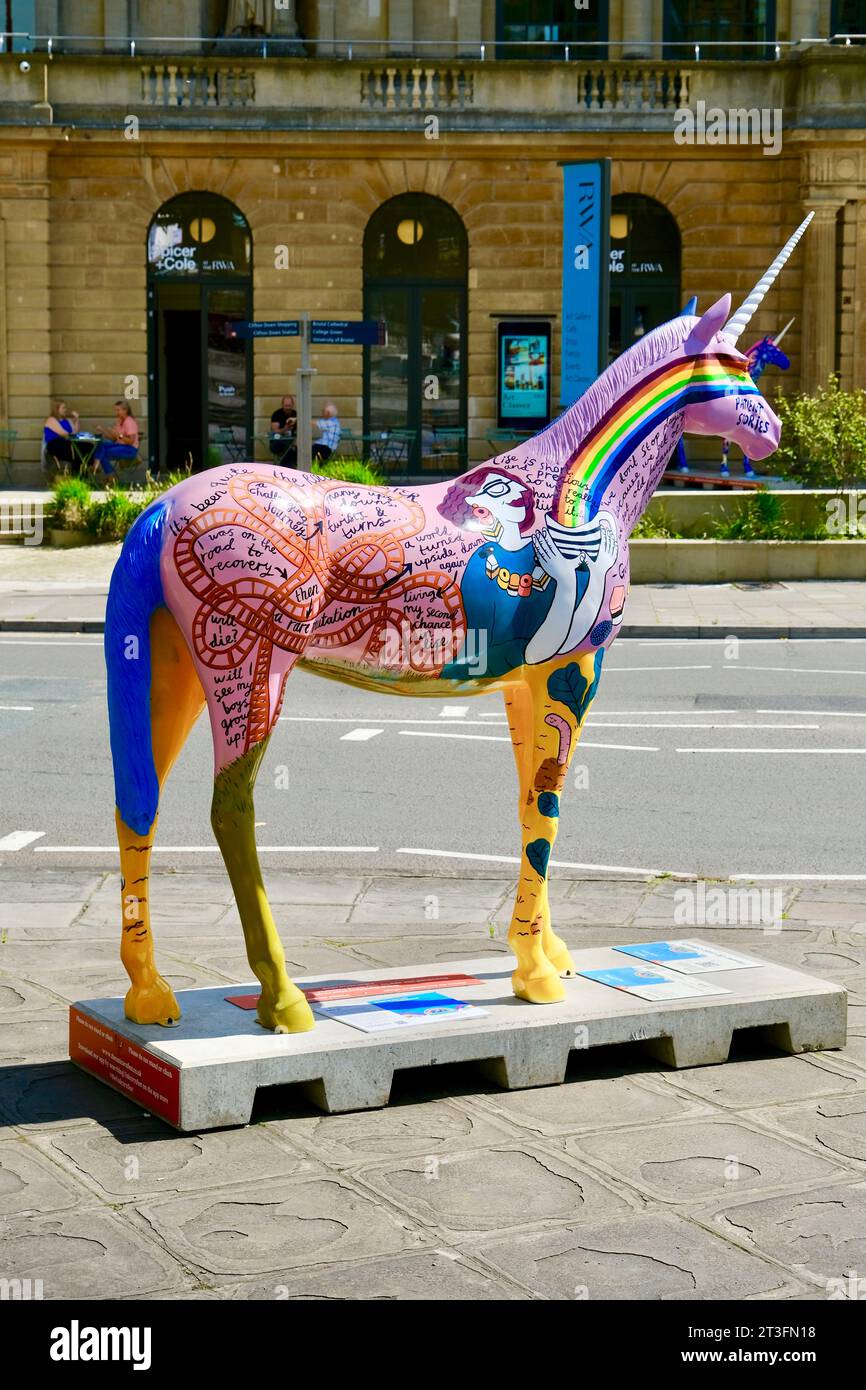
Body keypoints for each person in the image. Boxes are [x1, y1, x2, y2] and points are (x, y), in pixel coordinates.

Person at [93, 401, 139, 477]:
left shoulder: (129, 422)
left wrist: (118, 435)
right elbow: (113, 439)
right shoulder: (120, 421)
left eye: (118, 410)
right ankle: (98, 467)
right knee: (100, 445)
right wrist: (102, 430)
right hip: (119, 445)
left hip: (130, 449)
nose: (116, 412)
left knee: (102, 453)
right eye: (115, 410)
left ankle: (108, 475)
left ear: (125, 410)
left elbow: (131, 441)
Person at [42, 400, 79, 473]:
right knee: (79, 451)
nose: (66, 410)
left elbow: (75, 433)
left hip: (66, 444)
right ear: (57, 409)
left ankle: (86, 469)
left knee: (87, 446)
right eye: (63, 408)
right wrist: (71, 434)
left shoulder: (67, 421)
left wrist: (76, 420)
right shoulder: (51, 420)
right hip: (54, 445)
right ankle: (80, 473)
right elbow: (64, 434)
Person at [269, 394, 297, 467]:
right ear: (282, 405)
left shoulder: (295, 414)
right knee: (287, 450)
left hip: (291, 443)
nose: (288, 408)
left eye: (289, 405)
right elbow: (275, 431)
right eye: (286, 405)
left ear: (293, 405)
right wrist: (285, 428)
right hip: (277, 443)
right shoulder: (277, 414)